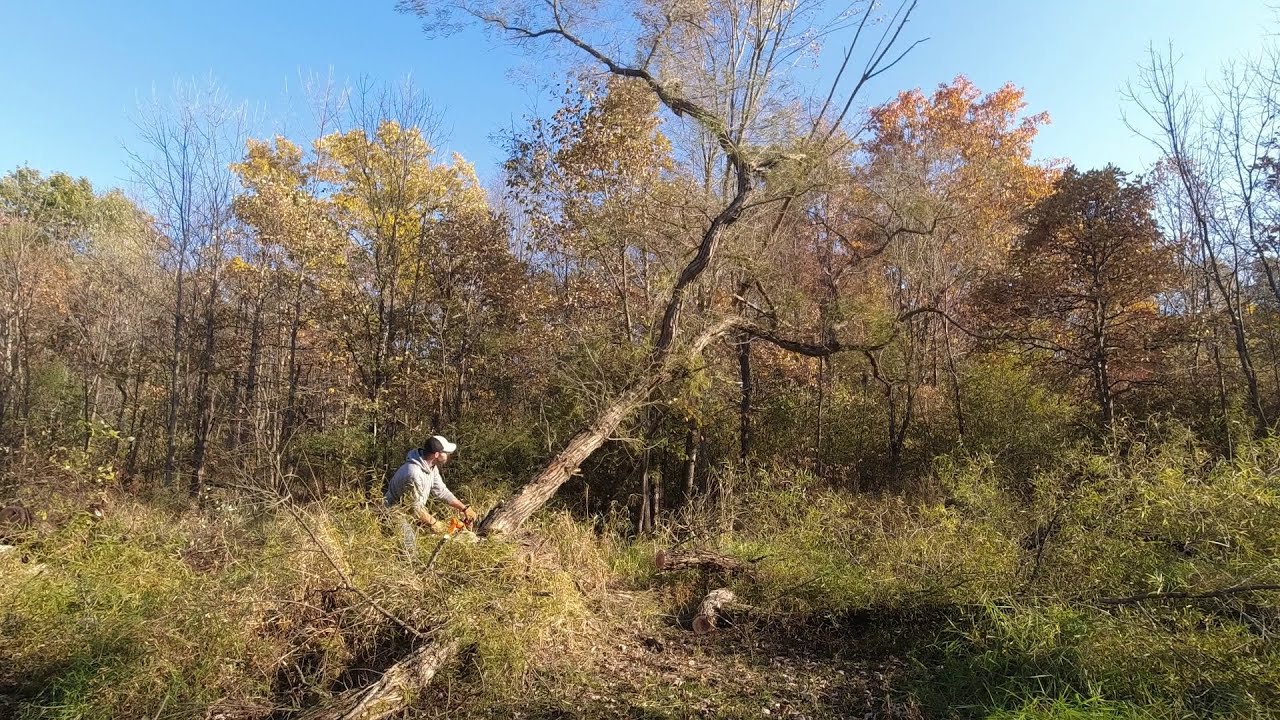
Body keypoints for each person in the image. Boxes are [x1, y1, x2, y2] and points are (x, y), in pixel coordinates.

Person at [385, 435, 477, 536]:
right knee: (409, 542)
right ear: (437, 454)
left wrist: (464, 508)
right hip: (394, 512)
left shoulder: (431, 467)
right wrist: (435, 523)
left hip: (411, 510)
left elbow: (442, 491)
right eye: (446, 453)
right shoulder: (414, 473)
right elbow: (415, 508)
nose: (448, 455)